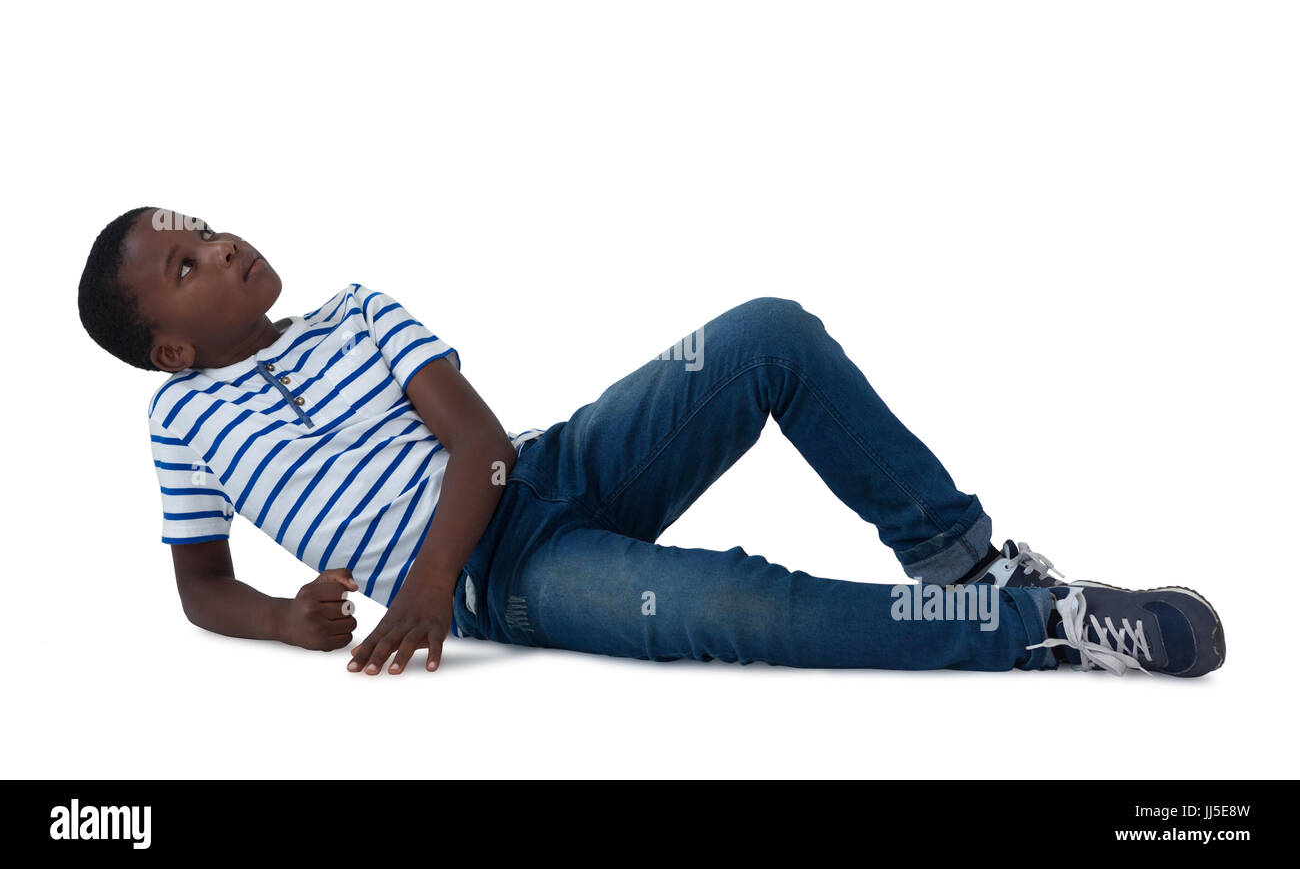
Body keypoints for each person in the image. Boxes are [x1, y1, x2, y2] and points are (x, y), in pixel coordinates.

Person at [78, 206, 1226, 679]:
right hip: (511, 580)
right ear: (169, 351)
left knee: (765, 333)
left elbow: (477, 442)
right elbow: (200, 584)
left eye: (207, 225)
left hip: (543, 472)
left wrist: (419, 586)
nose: (221, 248)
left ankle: (964, 562)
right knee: (738, 604)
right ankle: (1046, 626)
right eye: (186, 267)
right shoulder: (178, 421)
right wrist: (284, 618)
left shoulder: (359, 309)